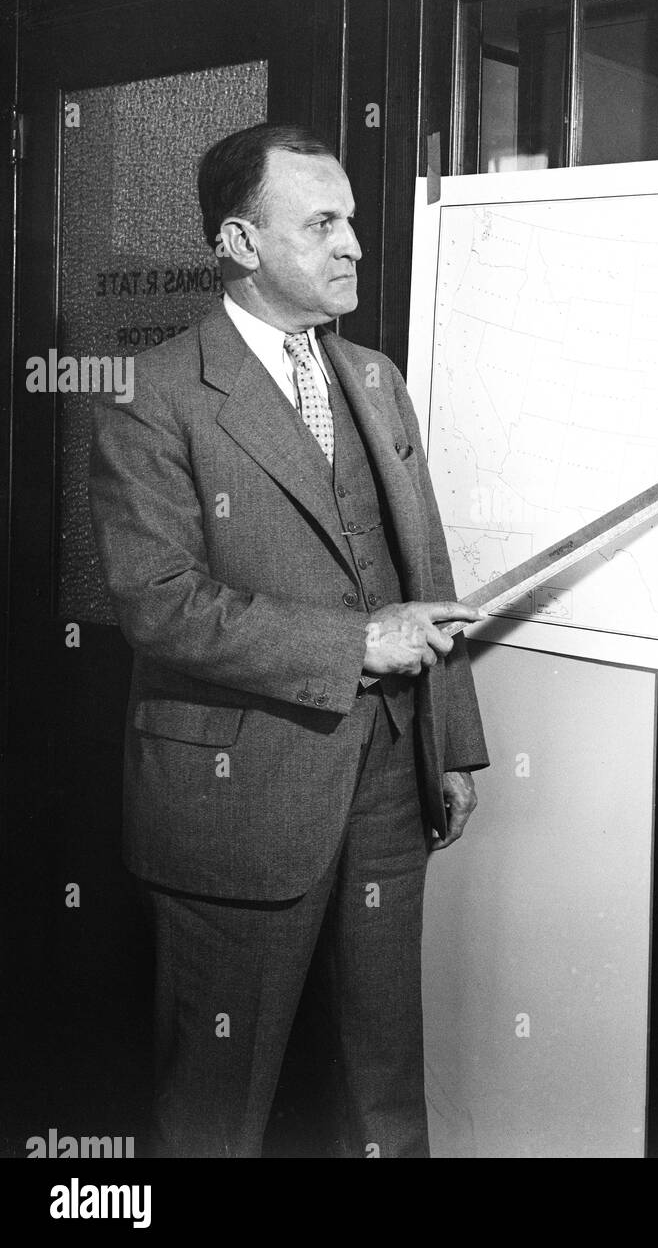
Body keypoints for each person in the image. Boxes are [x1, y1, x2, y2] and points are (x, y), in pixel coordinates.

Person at [88, 122, 489, 1158]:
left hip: (392, 783)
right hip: (234, 799)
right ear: (241, 241)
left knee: (384, 1088)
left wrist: (451, 743)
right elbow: (160, 601)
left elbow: (422, 568)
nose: (353, 243)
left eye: (350, 220)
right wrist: (358, 643)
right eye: (322, 223)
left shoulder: (374, 377)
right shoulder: (156, 395)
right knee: (218, 1105)